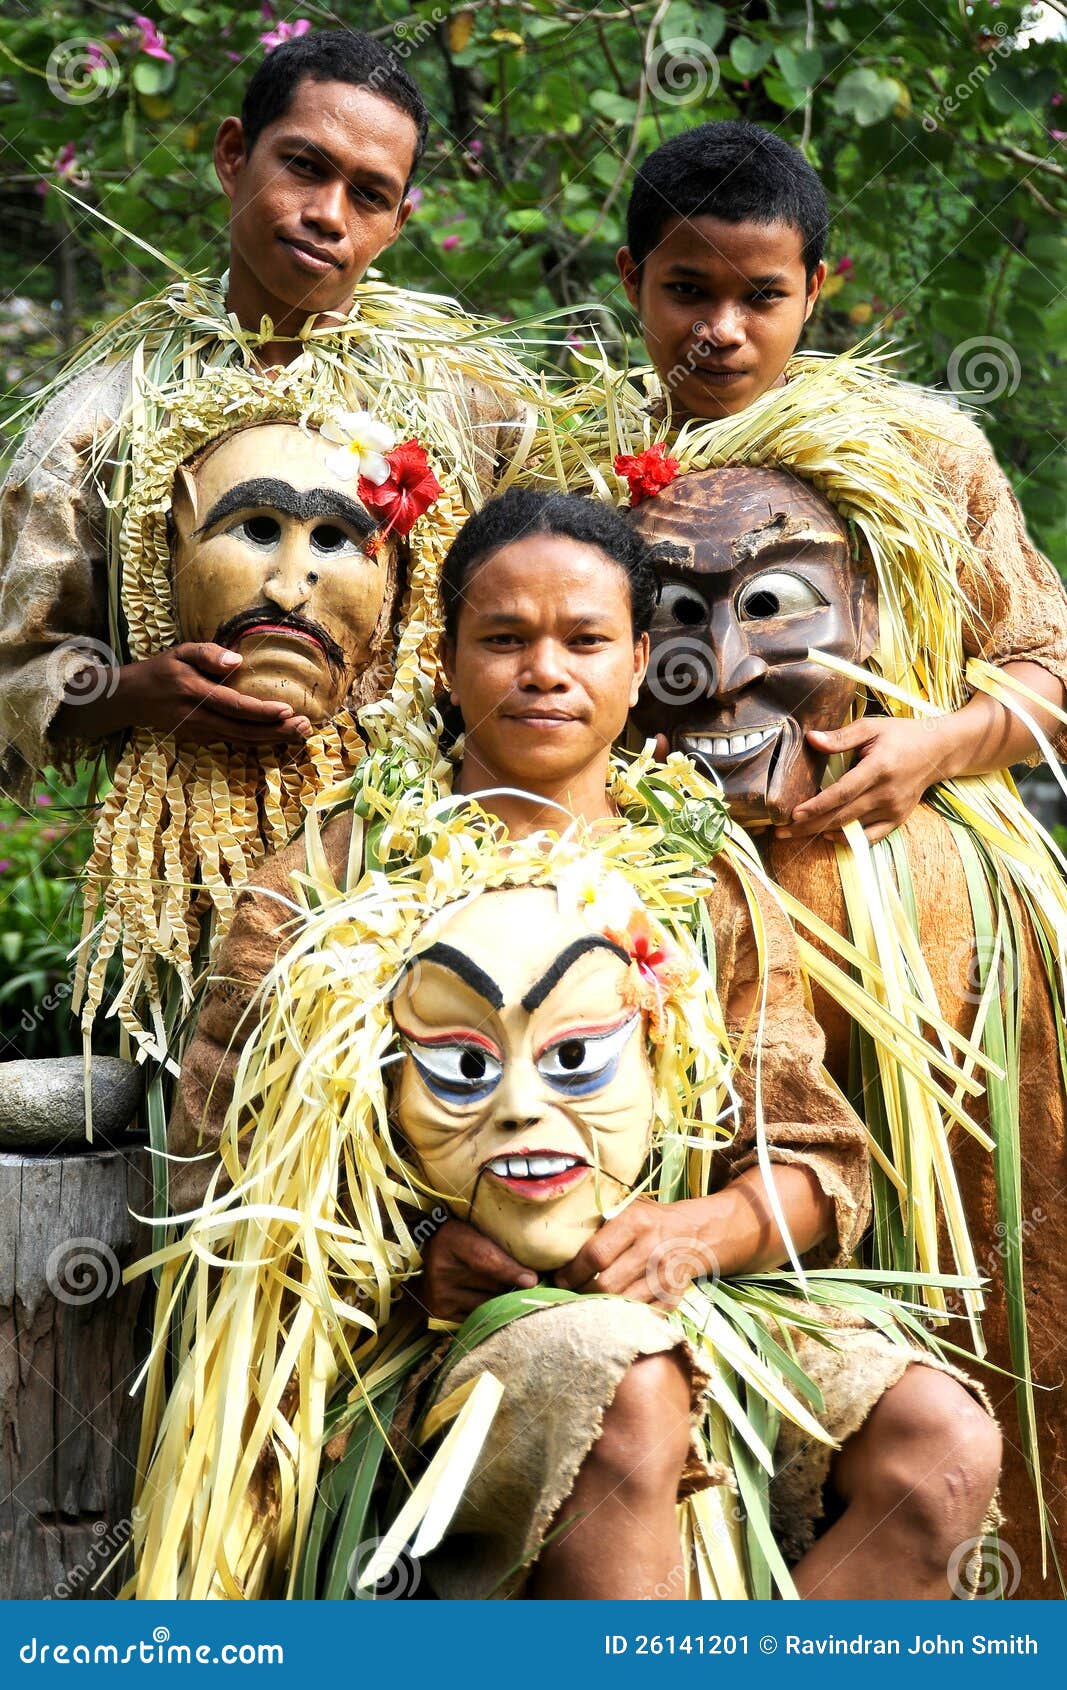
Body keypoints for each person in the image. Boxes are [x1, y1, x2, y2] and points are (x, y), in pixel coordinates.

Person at [142, 490, 1000, 1601]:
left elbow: (815, 1166)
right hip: (414, 1350)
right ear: (445, 660)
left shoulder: (704, 882)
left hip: (692, 1305)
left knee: (937, 1444)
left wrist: (691, 1235)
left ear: (639, 663)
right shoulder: (331, 880)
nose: (544, 671)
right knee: (628, 1386)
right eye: (503, 639)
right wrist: (412, 1258)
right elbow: (215, 1169)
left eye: (585, 641)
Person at [0, 28, 536, 807]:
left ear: (397, 222)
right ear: (232, 155)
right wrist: (134, 691)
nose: (328, 214)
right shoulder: (106, 415)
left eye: (369, 194)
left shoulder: (471, 410)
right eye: (304, 167)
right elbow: (15, 671)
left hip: (418, 843)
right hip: (179, 855)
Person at [614, 120, 1067, 842]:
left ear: (813, 290)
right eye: (687, 290)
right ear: (633, 279)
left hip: (886, 878)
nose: (721, 330)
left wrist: (938, 747)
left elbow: (1046, 663)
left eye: (762, 296)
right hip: (630, 876)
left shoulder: (919, 458)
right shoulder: (574, 462)